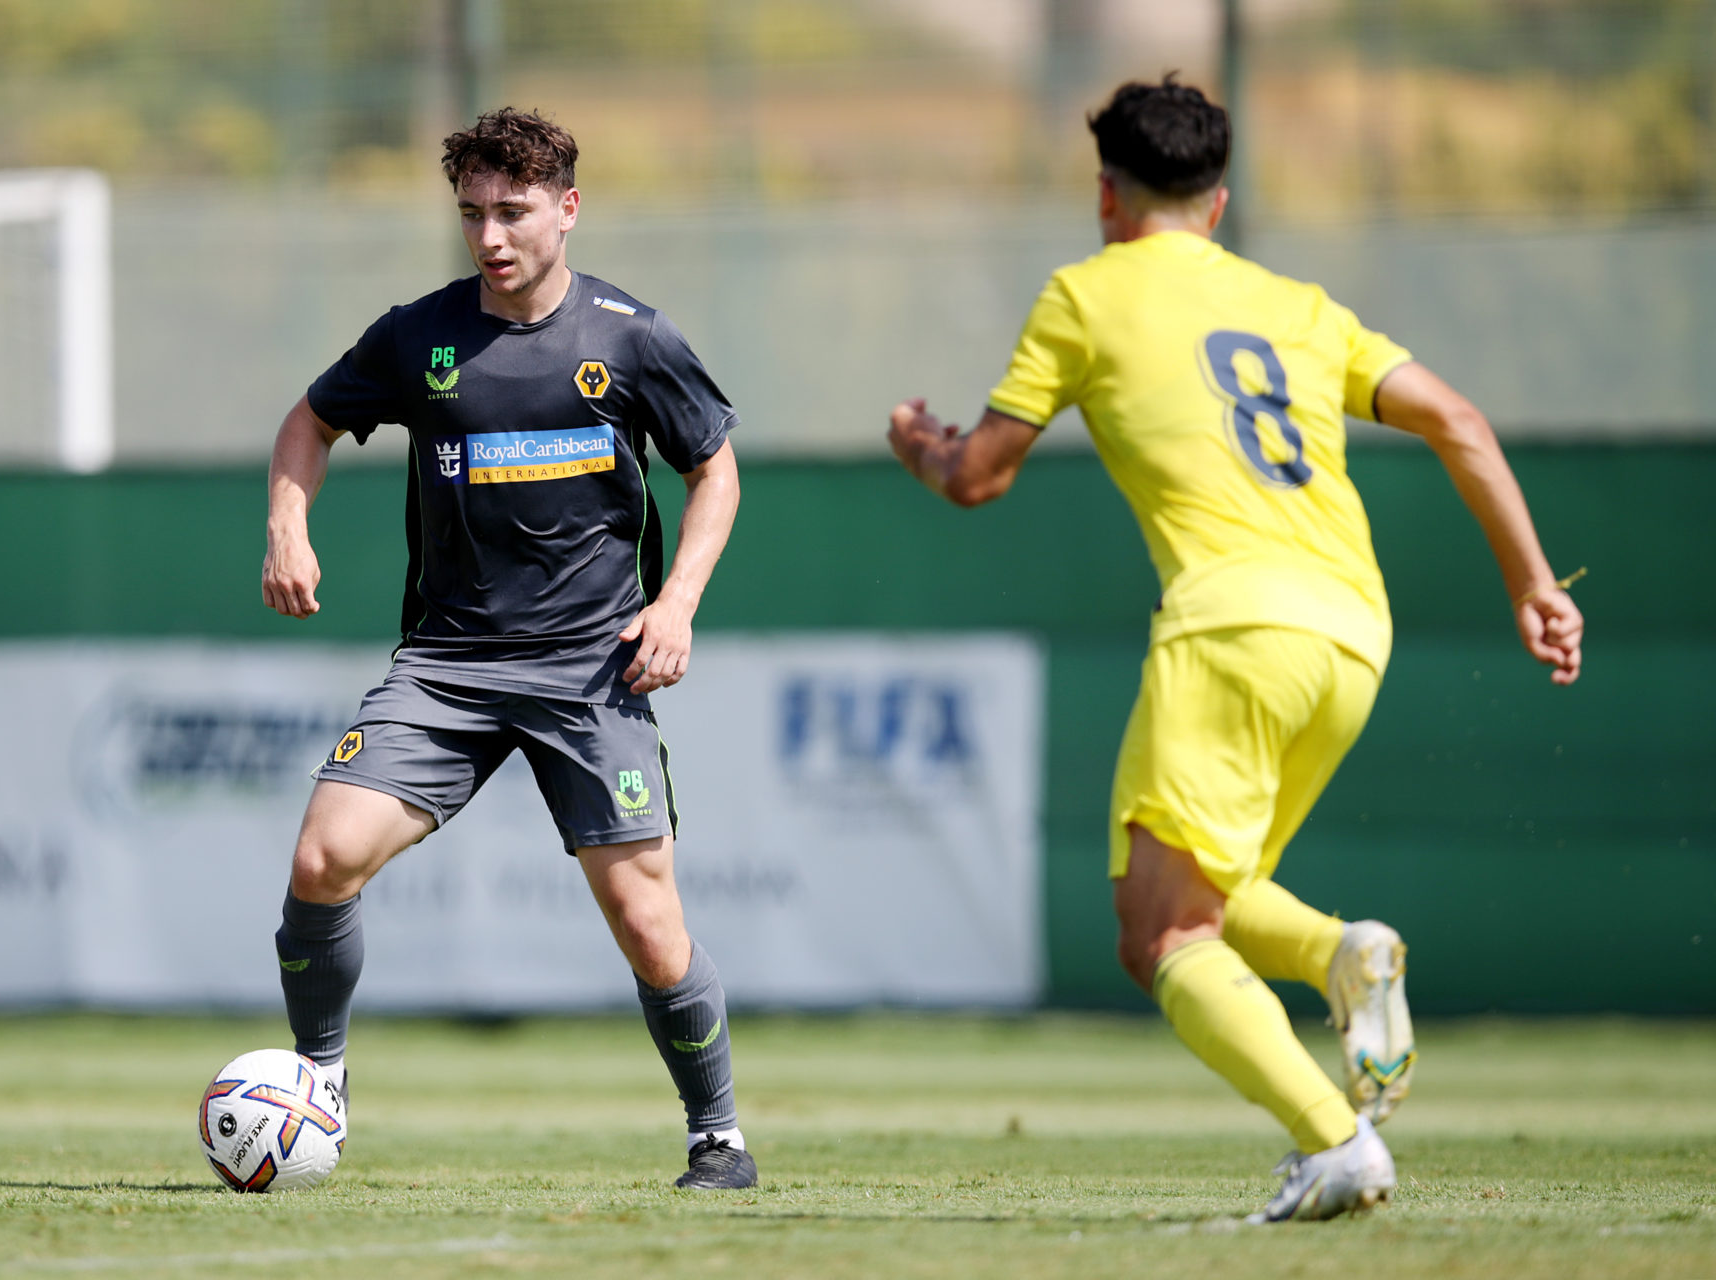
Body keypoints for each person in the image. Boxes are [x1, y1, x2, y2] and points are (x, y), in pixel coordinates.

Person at [886, 77, 1582, 1222]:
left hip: (1232, 625)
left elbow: (978, 476)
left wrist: (921, 444)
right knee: (1197, 884)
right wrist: (1535, 584)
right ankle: (1341, 953)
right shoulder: (1296, 304)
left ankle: (1334, 1142)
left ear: (1106, 195)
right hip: (1353, 633)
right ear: (1218, 205)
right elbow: (1462, 420)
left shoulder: (1085, 293)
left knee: (1164, 931)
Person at [260, 108, 756, 1190]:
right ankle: (318, 1081)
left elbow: (713, 468)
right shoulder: (419, 337)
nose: (491, 236)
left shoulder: (631, 338)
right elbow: (308, 422)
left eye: (514, 212)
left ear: (567, 210)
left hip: (590, 668)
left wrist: (675, 604)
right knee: (320, 857)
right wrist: (288, 526)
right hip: (446, 665)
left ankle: (716, 1133)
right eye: (473, 213)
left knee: (647, 923)